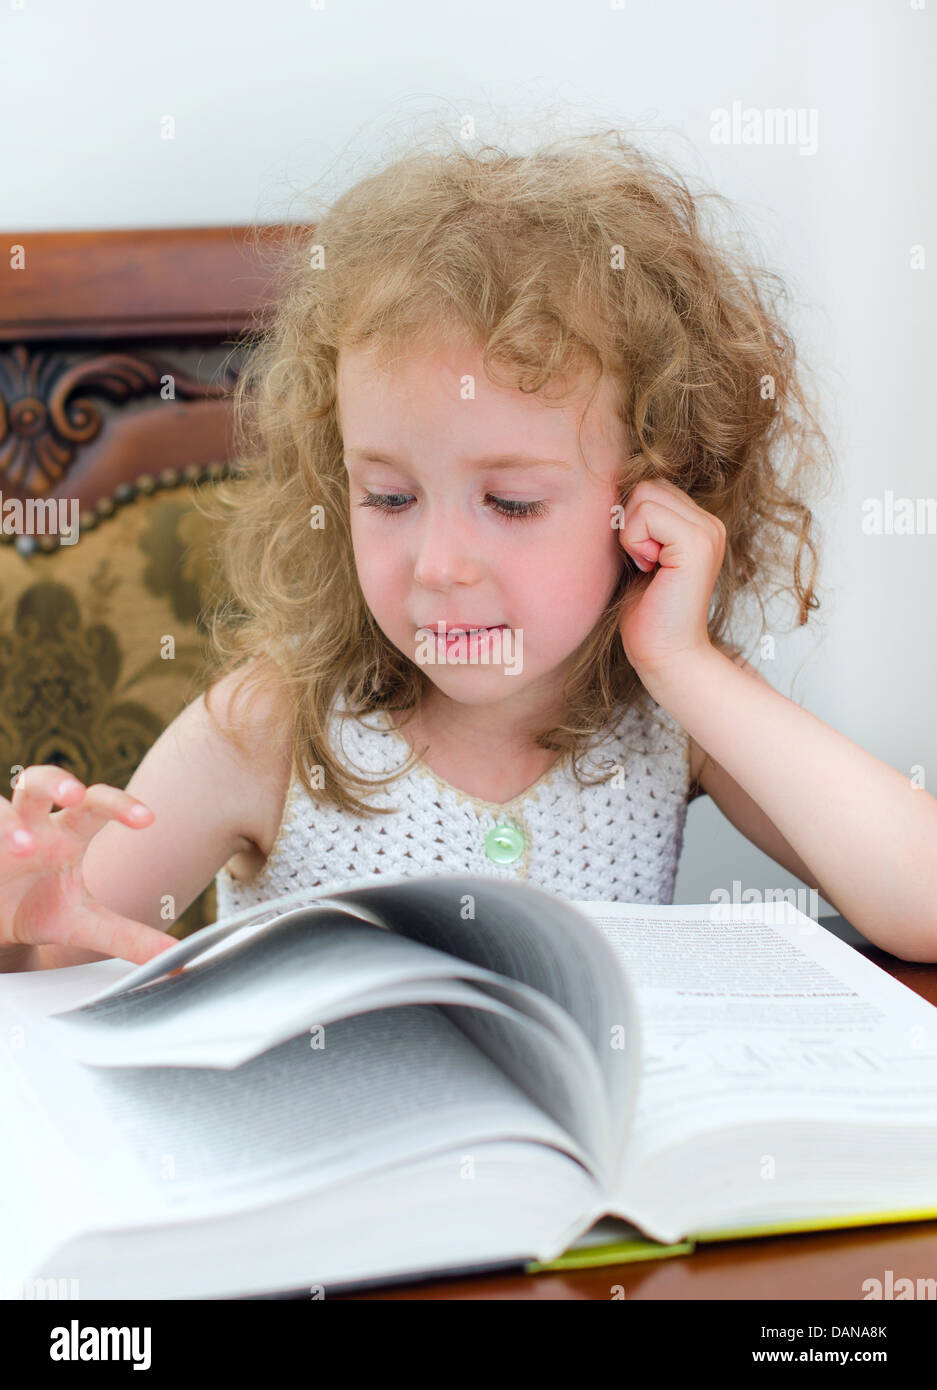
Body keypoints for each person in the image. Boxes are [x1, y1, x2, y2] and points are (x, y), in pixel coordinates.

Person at [3, 128, 936, 971]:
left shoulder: (670, 716)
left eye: (513, 502)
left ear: (652, 500)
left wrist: (683, 660)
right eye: (390, 497)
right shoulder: (266, 730)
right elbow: (73, 952)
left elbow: (921, 908)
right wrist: (24, 928)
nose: (438, 564)